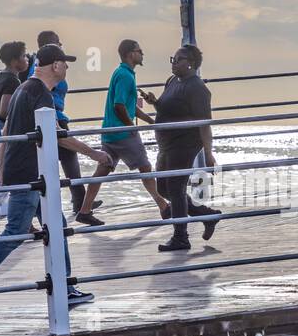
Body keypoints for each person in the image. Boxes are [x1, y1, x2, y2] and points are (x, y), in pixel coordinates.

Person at [0, 44, 105, 315]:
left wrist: (0, 170)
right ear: (55, 66)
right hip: (30, 174)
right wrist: (93, 153)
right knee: (15, 232)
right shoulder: (39, 92)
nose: (68, 67)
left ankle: (65, 287)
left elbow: (7, 130)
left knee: (56, 227)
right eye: (65, 63)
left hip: (29, 173)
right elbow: (58, 134)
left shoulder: (25, 88)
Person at [74, 38, 167, 226]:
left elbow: (129, 106)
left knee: (103, 169)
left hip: (109, 131)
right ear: (130, 53)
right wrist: (131, 127)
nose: (142, 54)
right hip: (123, 134)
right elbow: (119, 106)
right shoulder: (125, 76)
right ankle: (164, 206)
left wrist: (151, 121)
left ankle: (84, 211)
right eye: (140, 51)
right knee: (145, 168)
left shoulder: (122, 73)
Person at [140, 45, 219, 252]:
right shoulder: (172, 81)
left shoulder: (198, 88)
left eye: (178, 59)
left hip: (184, 144)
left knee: (175, 188)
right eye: (172, 59)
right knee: (163, 188)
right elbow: (167, 108)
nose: (173, 63)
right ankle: (207, 215)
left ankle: (181, 238)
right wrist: (154, 102)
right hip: (166, 143)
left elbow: (204, 124)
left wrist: (208, 154)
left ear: (190, 62)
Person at [33, 30, 95, 217]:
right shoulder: (39, 72)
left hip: (57, 115)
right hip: (51, 117)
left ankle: (80, 201)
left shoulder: (49, 66)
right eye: (57, 43)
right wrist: (94, 154)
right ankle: (80, 204)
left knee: (68, 159)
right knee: (63, 157)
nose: (61, 45)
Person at [0, 41, 29, 241]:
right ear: (14, 60)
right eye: (24, 56)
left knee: (7, 178)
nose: (27, 60)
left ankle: (26, 224)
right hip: (0, 130)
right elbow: (4, 110)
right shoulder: (11, 80)